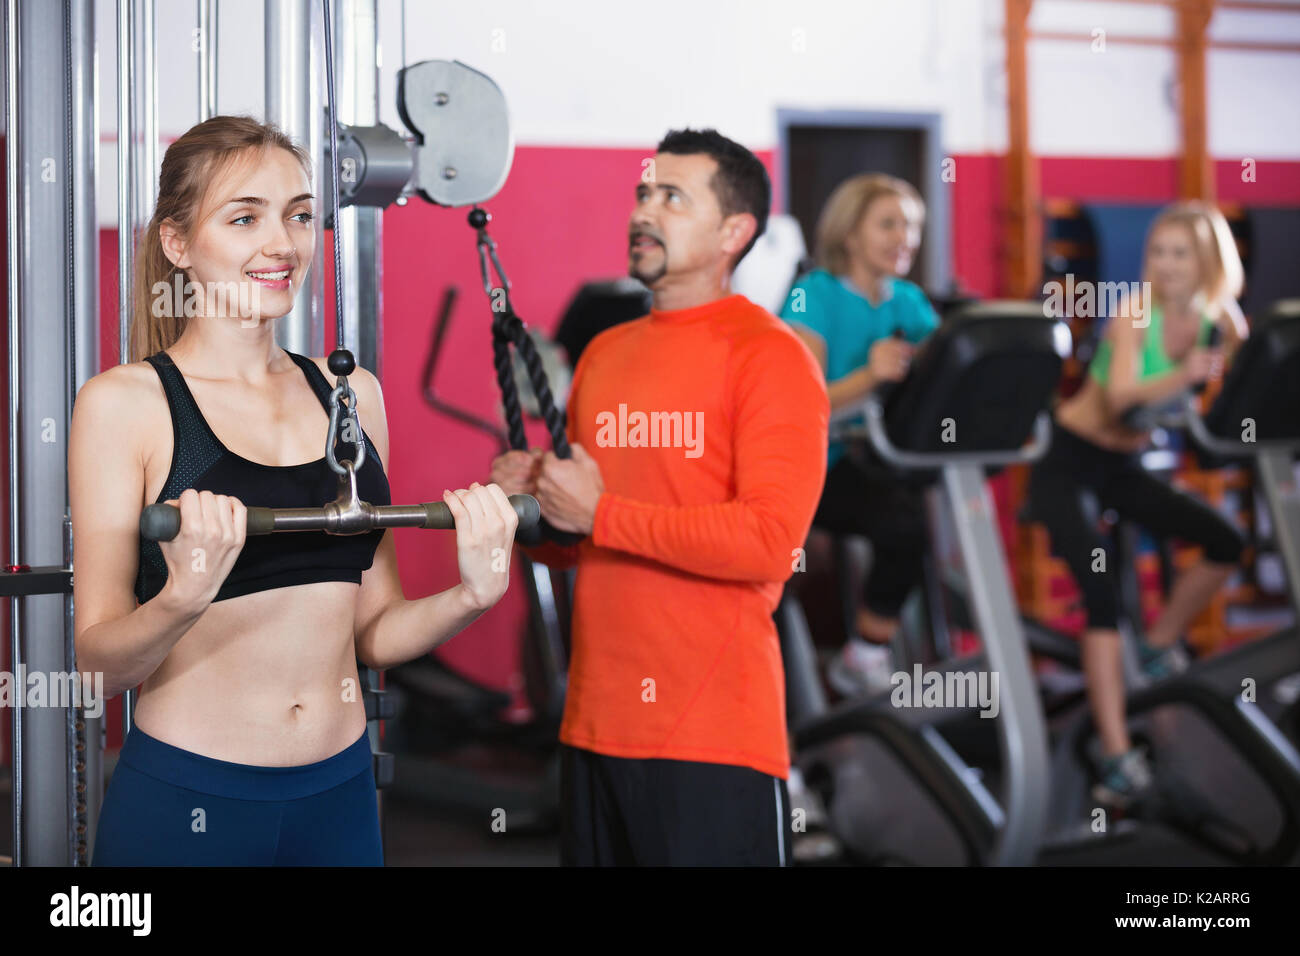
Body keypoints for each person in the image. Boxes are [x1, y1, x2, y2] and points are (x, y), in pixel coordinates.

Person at [71, 115, 519, 866]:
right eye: (245, 218)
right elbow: (95, 666)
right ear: (178, 244)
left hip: (339, 799)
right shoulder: (126, 404)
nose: (282, 244)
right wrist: (183, 595)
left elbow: (372, 630)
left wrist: (471, 595)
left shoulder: (351, 395)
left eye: (300, 216)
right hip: (191, 802)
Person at [490, 128, 829, 866]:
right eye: (644, 193)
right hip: (594, 728)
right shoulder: (607, 354)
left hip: (714, 737)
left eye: (673, 197)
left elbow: (770, 541)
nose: (645, 211)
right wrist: (529, 508)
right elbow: (577, 547)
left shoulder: (772, 359)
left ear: (734, 231)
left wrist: (601, 513)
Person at [1027, 200, 1250, 809]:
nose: (1168, 264)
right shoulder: (1134, 313)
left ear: (1208, 261)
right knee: (1101, 598)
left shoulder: (1219, 319)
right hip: (1070, 461)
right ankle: (1117, 752)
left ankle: (1158, 643)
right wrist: (1187, 374)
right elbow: (1123, 393)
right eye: (1159, 252)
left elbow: (1240, 367)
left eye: (1182, 253)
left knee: (1226, 541)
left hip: (1126, 466)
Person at [779, 174, 940, 697]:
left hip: (854, 457)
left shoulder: (907, 301)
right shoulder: (812, 296)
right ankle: (785, 701)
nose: (905, 238)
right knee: (779, 576)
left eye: (912, 226)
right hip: (796, 462)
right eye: (889, 224)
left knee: (907, 527)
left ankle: (864, 657)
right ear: (851, 233)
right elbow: (802, 405)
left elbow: (948, 361)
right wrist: (871, 374)